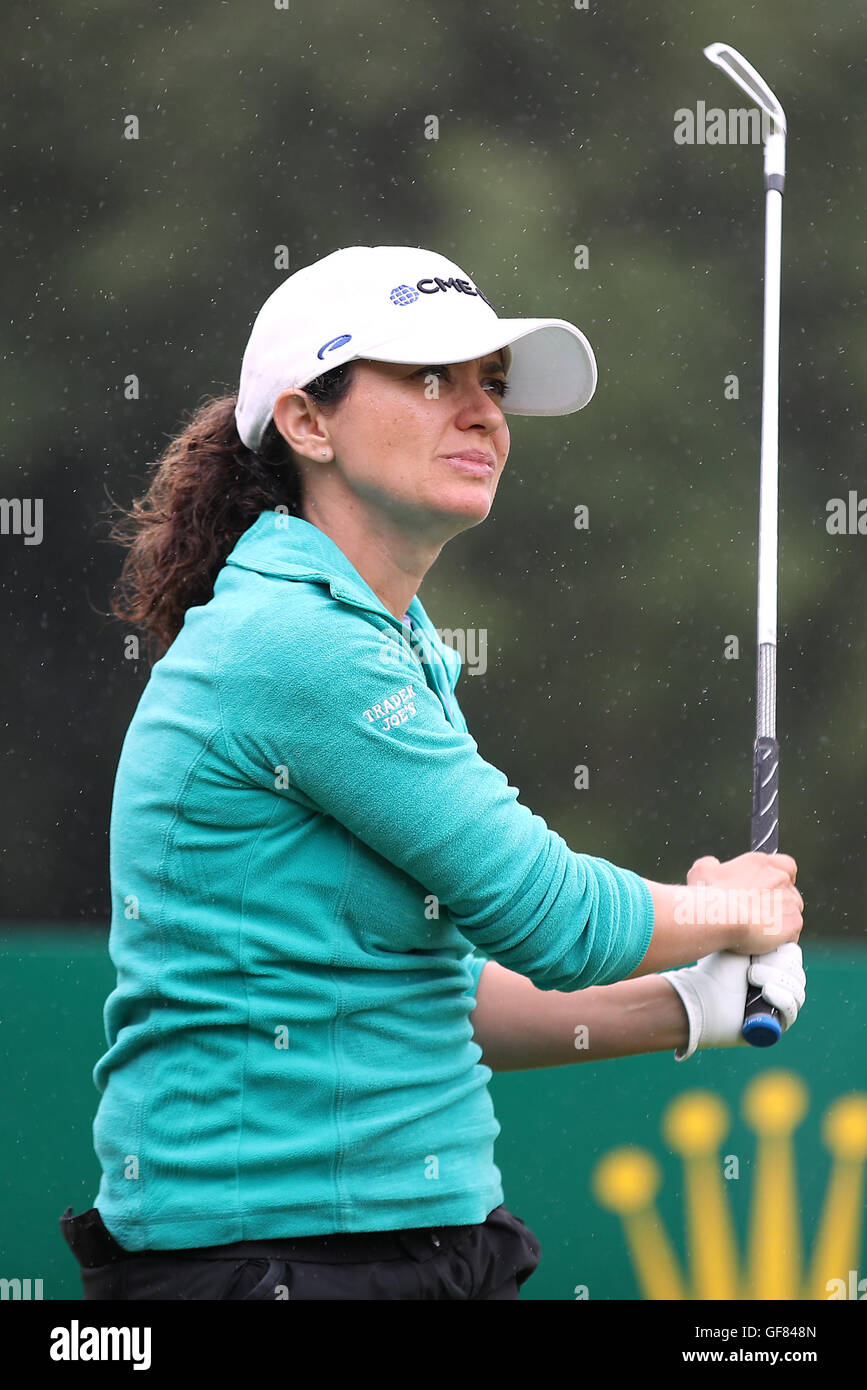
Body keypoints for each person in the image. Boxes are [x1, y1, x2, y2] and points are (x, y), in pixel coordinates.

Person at [60, 245, 805, 1301]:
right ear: (307, 423)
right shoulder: (296, 640)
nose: (483, 414)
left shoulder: (384, 638)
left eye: (491, 385)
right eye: (428, 378)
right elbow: (550, 917)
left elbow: (444, 997)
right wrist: (727, 906)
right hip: (271, 1262)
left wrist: (695, 1001)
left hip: (407, 1245)